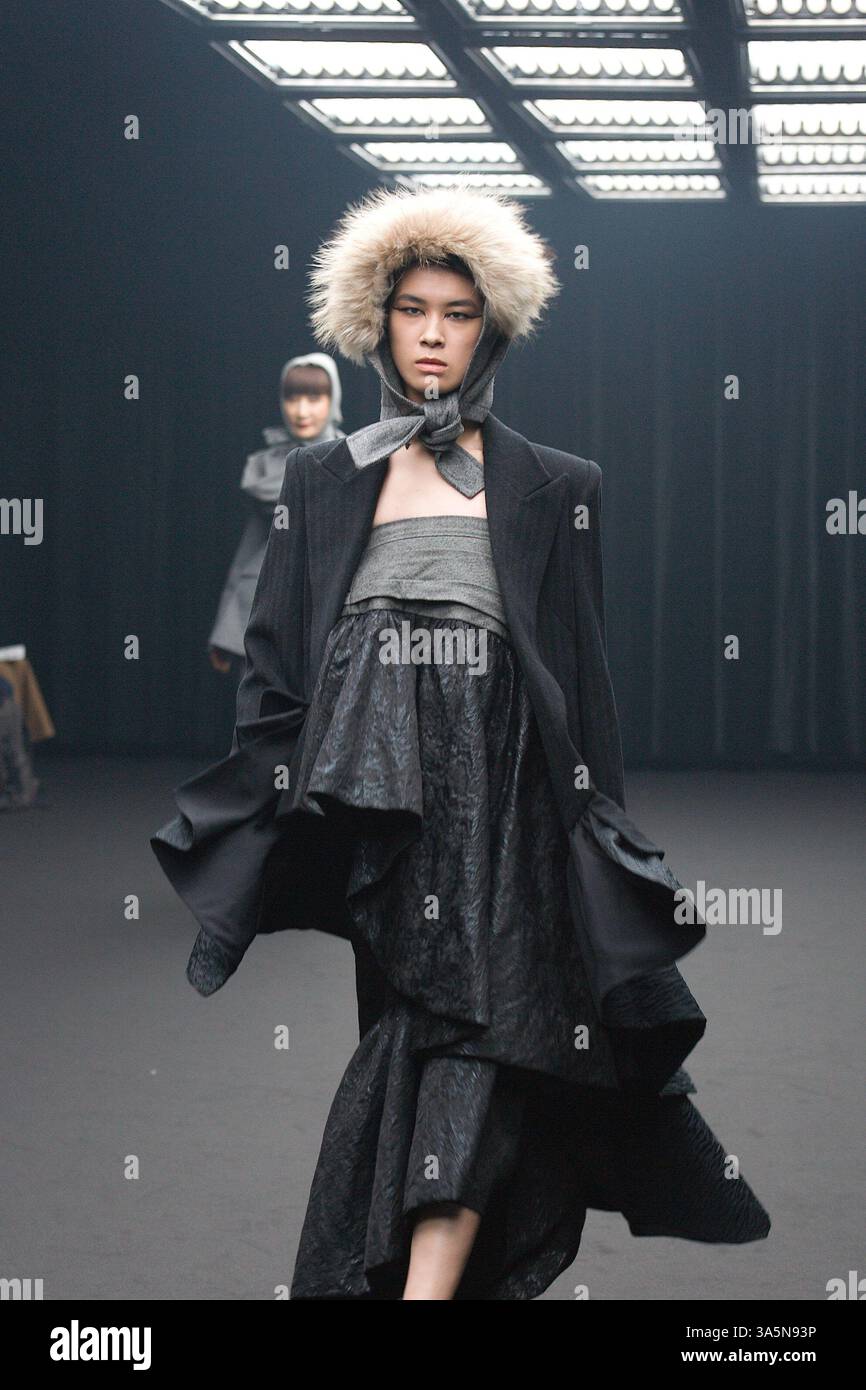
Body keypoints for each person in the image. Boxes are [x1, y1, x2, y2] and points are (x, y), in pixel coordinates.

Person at [151, 185, 770, 1300]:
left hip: (512, 783)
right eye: (411, 308)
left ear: (493, 329)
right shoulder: (321, 476)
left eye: (458, 311)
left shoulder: (554, 484)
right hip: (379, 791)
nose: (433, 331)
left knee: (480, 1024)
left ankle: (415, 1287)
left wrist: (601, 843)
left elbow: (581, 682)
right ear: (374, 324)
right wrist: (272, 802)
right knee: (430, 1022)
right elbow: (277, 660)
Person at [208, 354, 345, 674]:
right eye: (292, 397)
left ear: (332, 399)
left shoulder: (352, 459)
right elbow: (250, 552)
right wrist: (224, 631)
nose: (301, 410)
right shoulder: (264, 465)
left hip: (328, 612)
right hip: (266, 614)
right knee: (260, 712)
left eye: (314, 398)